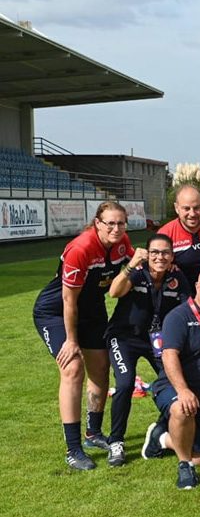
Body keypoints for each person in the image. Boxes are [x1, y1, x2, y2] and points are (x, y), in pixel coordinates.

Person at [34, 201, 134, 470]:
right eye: (110, 223)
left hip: (92, 310)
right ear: (97, 223)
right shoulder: (81, 248)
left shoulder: (123, 242)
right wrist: (71, 340)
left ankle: (93, 434)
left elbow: (133, 271)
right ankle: (73, 449)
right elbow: (68, 301)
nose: (116, 228)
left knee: (101, 368)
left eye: (121, 223)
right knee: (73, 368)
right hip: (56, 312)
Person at [141, 267, 200, 489]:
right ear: (198, 287)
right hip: (173, 387)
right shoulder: (178, 316)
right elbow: (169, 355)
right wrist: (182, 390)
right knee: (182, 409)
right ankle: (185, 466)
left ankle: (160, 438)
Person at [105, 233, 190, 467]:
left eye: (165, 253)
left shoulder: (176, 276)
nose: (160, 257)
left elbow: (188, 307)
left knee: (176, 381)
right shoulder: (137, 271)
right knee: (124, 382)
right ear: (147, 254)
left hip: (158, 341)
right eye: (155, 253)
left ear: (172, 256)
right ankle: (116, 442)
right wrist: (132, 264)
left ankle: (162, 428)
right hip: (124, 338)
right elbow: (114, 292)